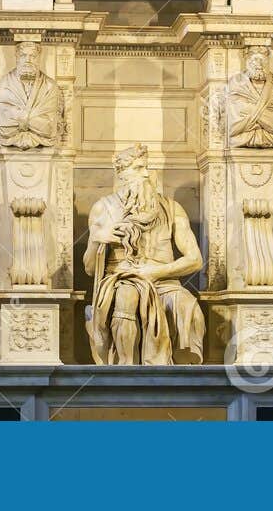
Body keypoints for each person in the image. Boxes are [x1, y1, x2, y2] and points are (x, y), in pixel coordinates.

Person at [83, 144, 204, 364]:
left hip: (164, 282)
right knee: (126, 298)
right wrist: (97, 239)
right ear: (122, 173)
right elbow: (90, 269)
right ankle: (125, 370)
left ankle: (183, 371)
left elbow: (195, 260)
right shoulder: (104, 208)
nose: (147, 174)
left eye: (146, 167)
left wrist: (155, 272)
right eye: (139, 168)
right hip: (121, 279)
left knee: (187, 303)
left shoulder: (171, 208)